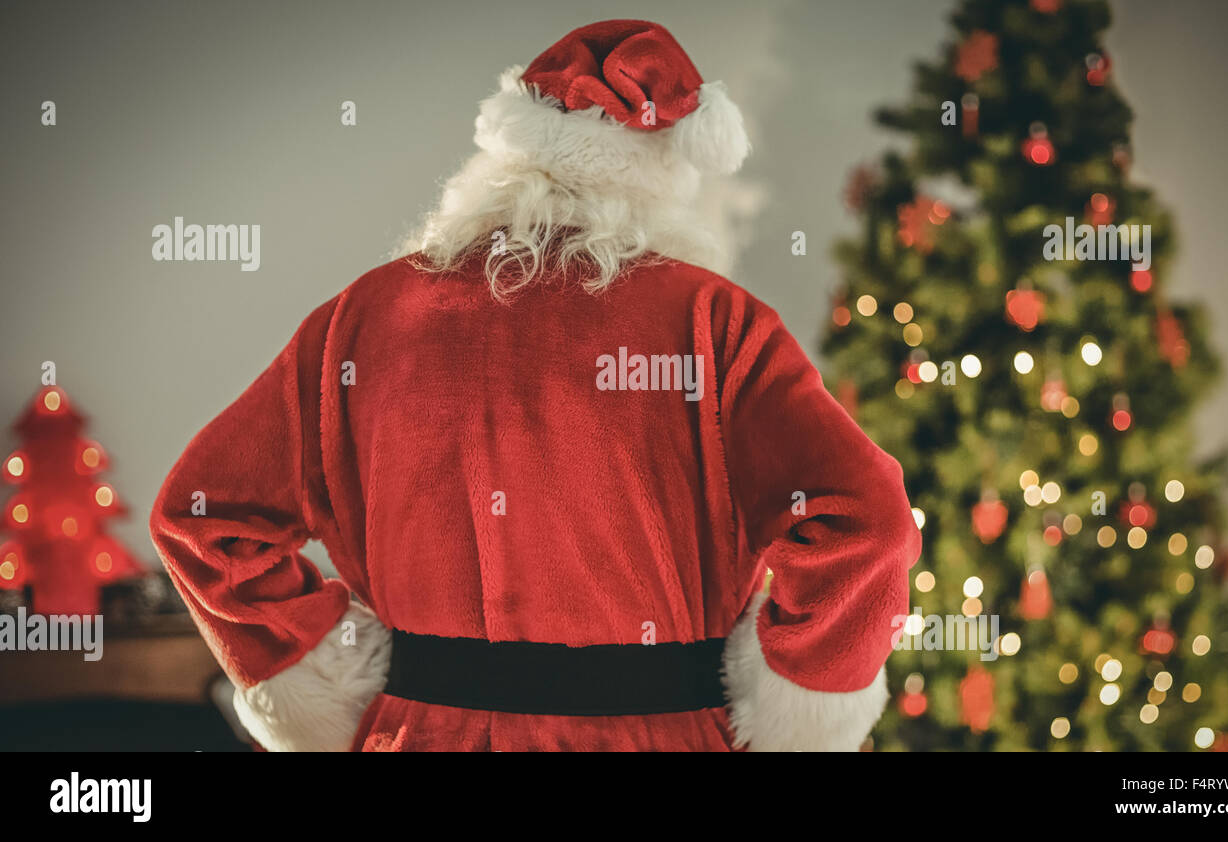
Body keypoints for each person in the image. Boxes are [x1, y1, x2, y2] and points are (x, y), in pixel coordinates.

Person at [150, 19, 922, 752]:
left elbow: (202, 516)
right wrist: (787, 703)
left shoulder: (366, 318)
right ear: (662, 173)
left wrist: (332, 685)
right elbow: (869, 524)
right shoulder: (712, 324)